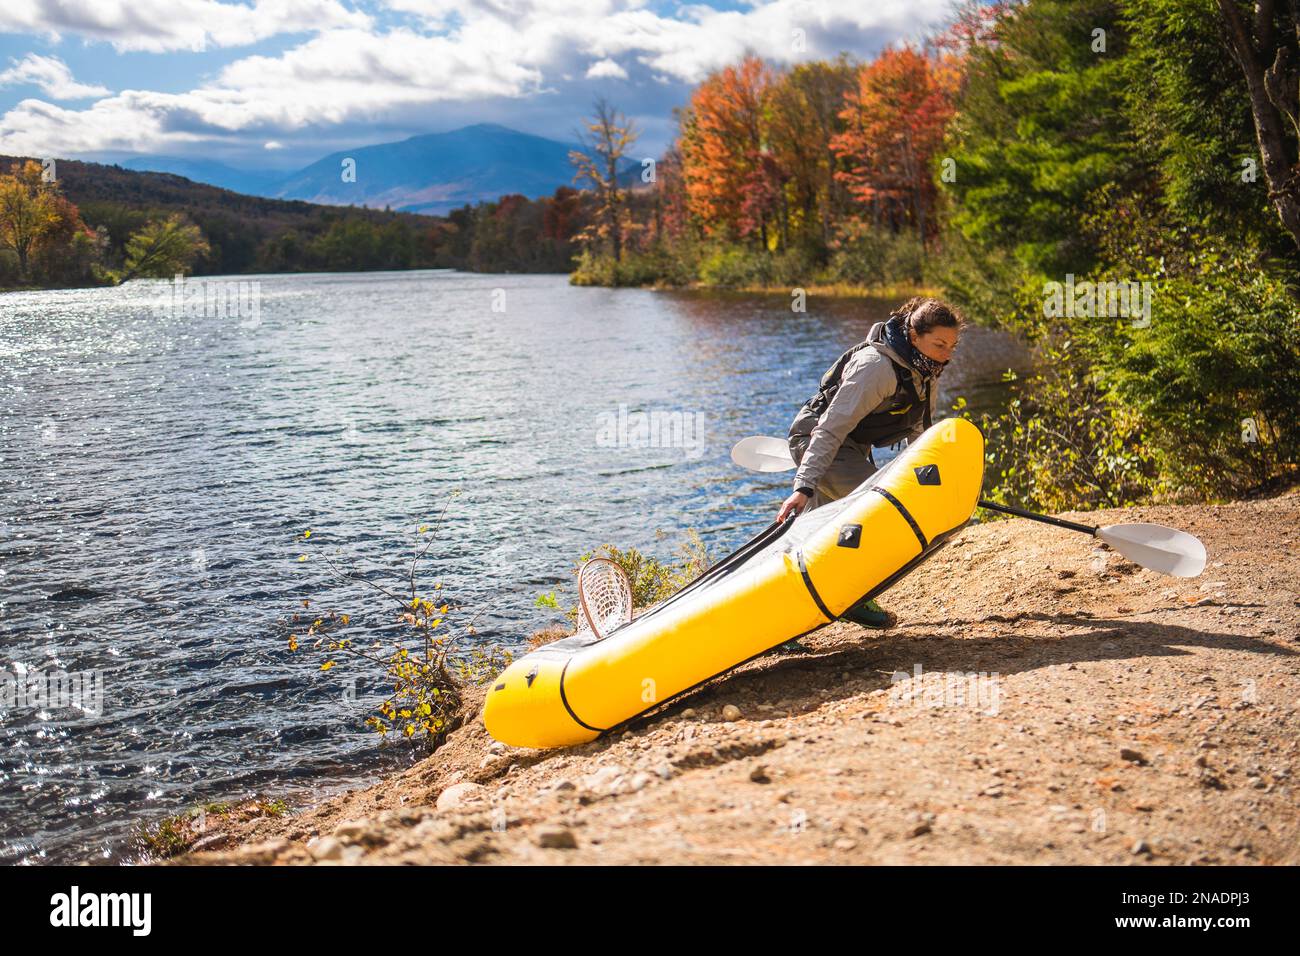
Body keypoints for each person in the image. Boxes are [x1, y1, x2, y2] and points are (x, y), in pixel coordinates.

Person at [776, 297, 964, 630]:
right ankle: (853, 599)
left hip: (853, 447)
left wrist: (935, 482)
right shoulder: (876, 367)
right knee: (878, 512)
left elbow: (921, 432)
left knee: (812, 536)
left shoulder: (926, 369)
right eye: (939, 344)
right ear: (913, 334)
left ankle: (784, 619)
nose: (947, 353)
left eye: (952, 345)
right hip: (819, 441)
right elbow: (829, 428)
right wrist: (803, 486)